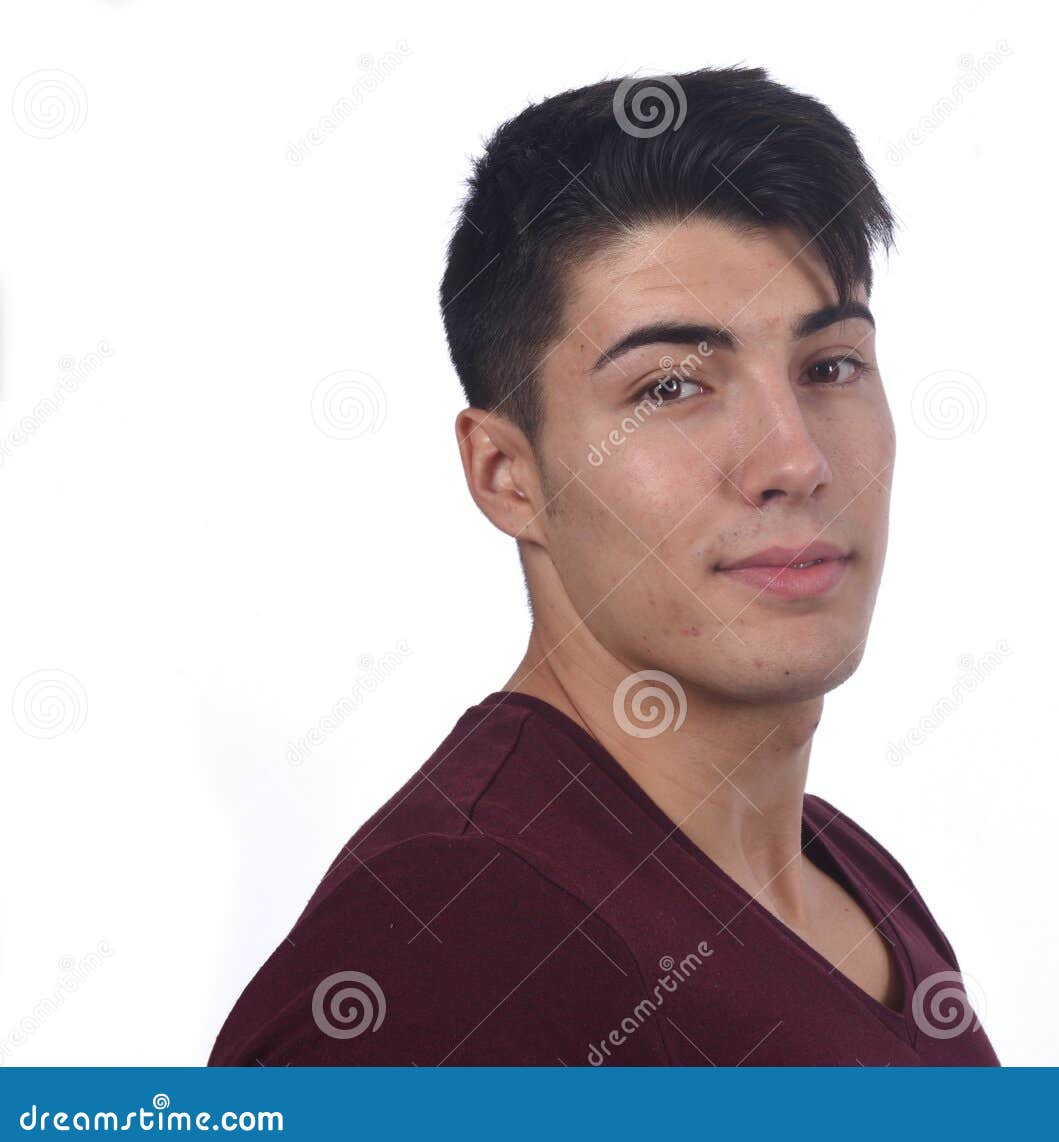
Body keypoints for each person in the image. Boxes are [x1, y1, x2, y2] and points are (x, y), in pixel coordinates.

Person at [209, 66, 998, 1066]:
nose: (794, 459)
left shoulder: (847, 876)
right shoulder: (453, 940)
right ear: (507, 475)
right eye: (672, 384)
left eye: (828, 365)